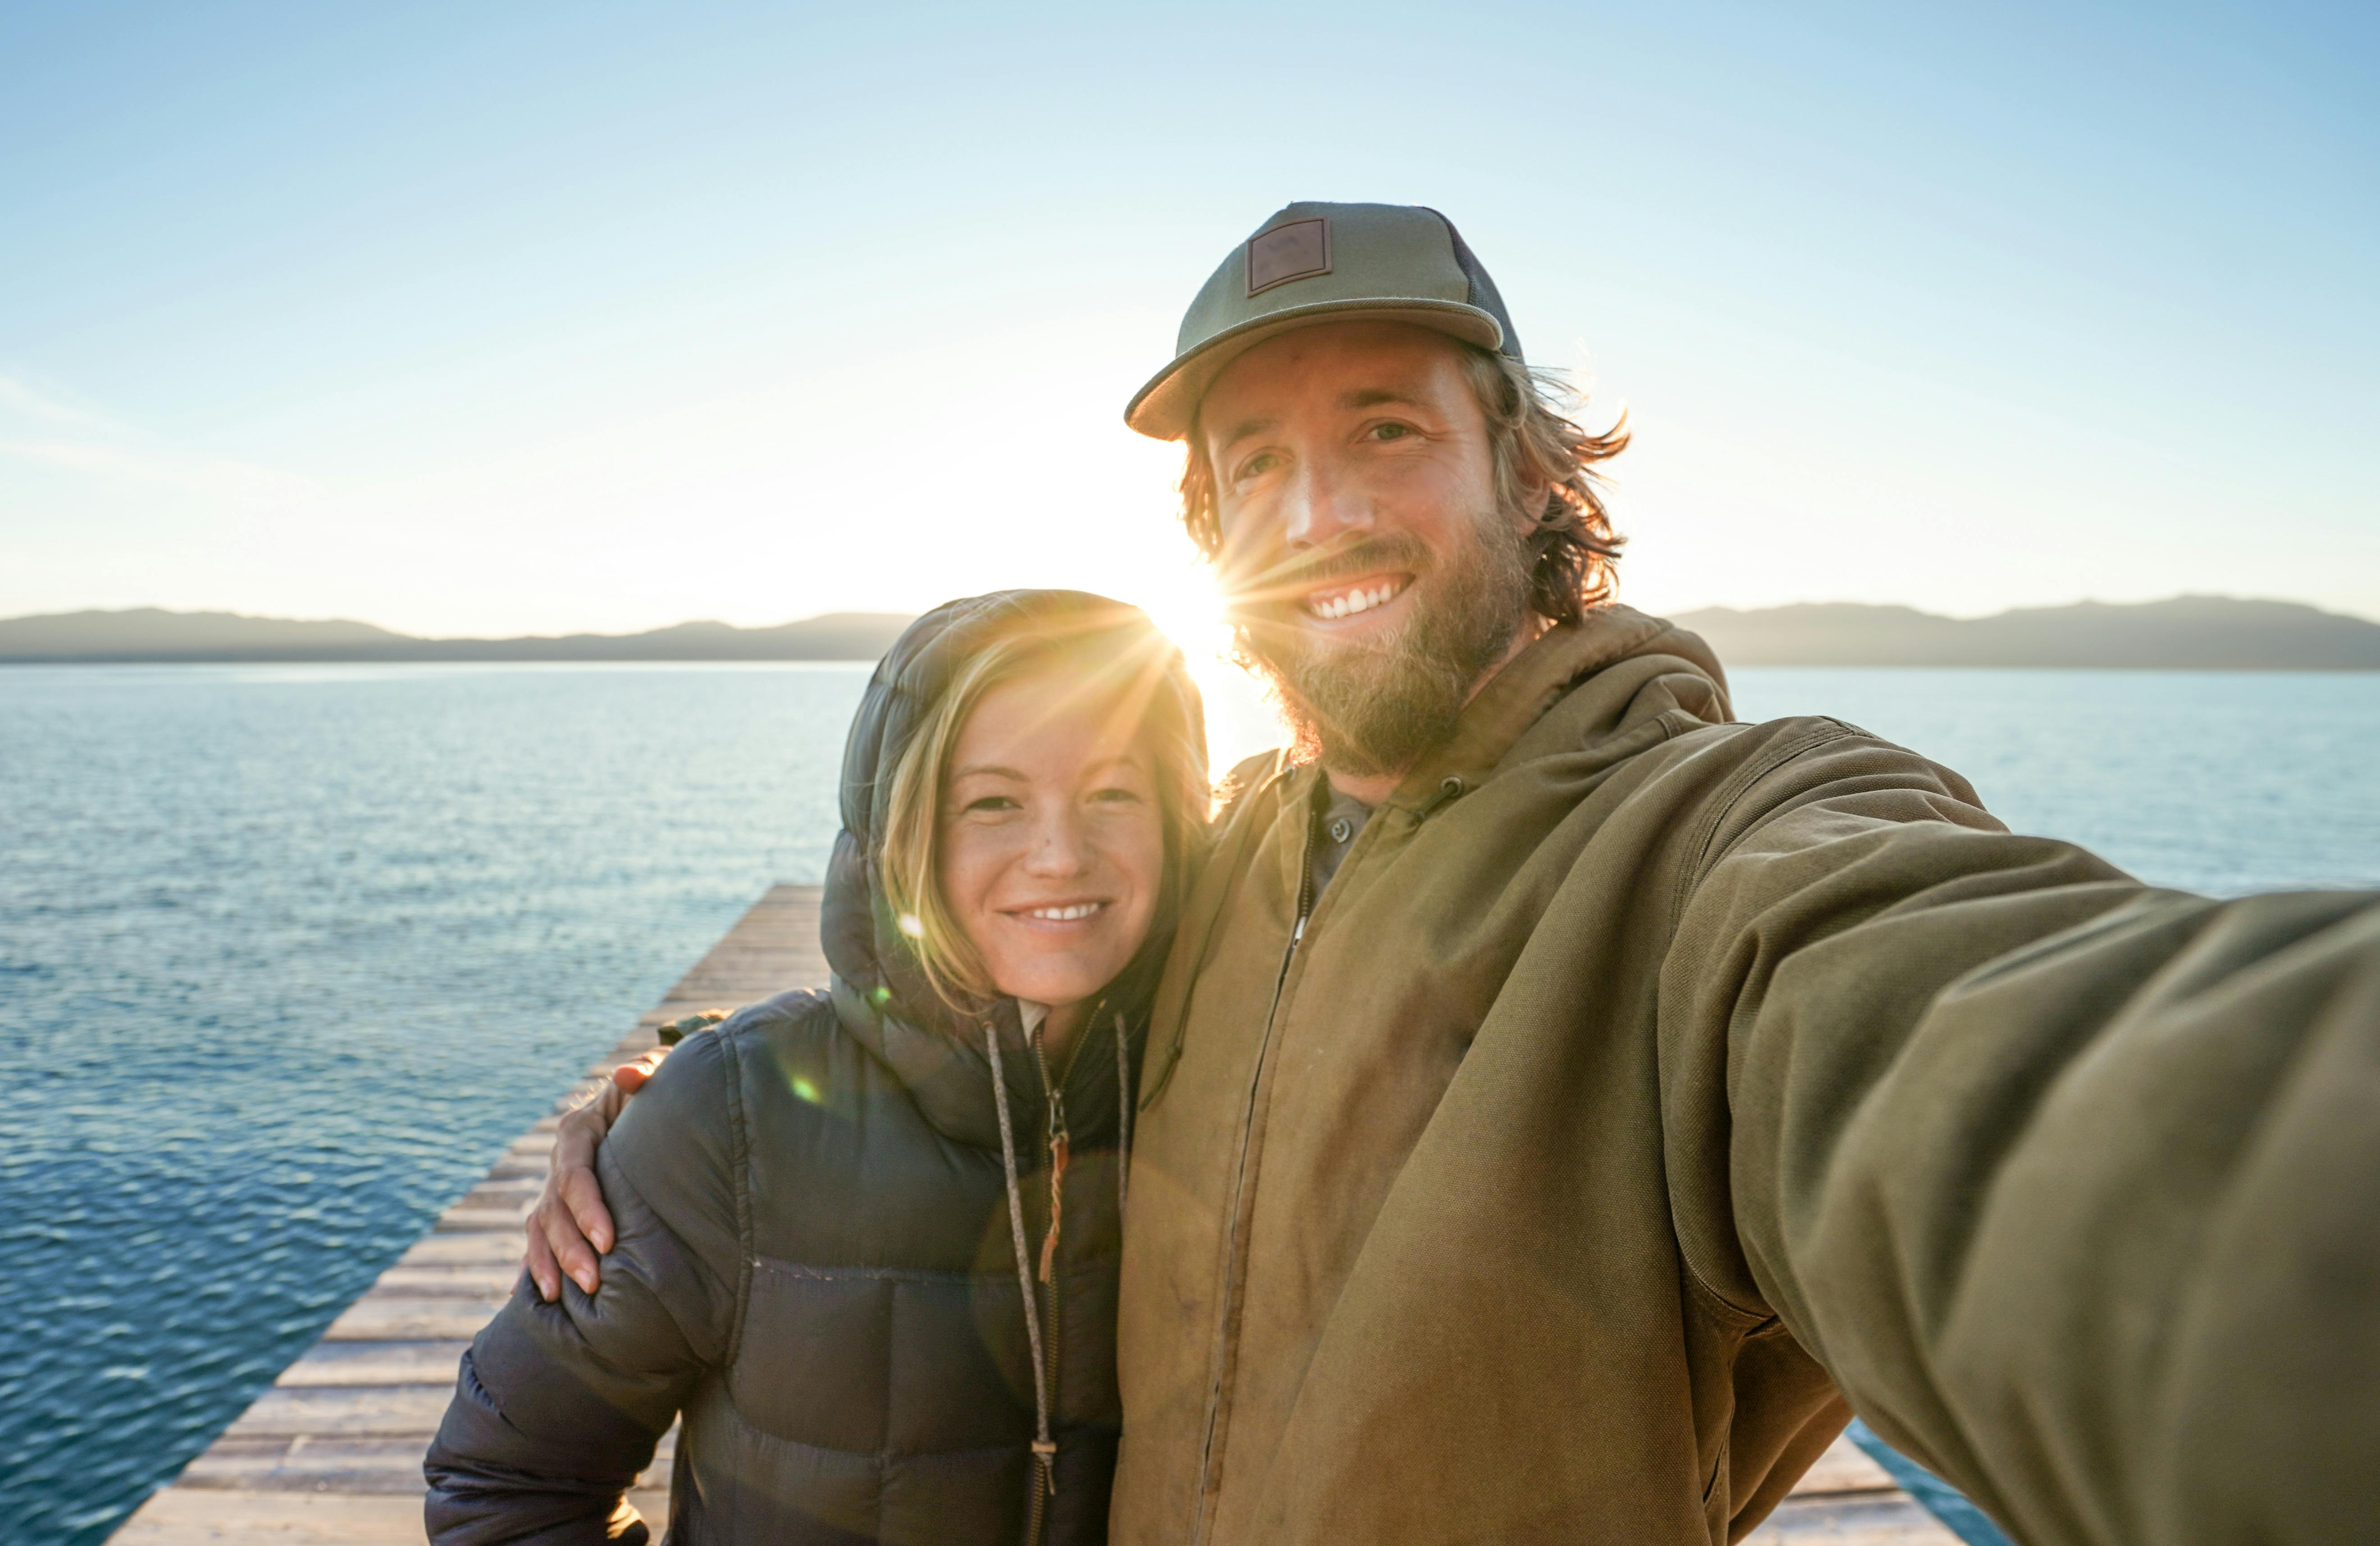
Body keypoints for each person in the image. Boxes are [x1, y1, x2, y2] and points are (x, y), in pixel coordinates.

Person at [531, 205, 2380, 1545]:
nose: (1320, 511)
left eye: (1387, 430)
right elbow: (991, 1028)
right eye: (1255, 465)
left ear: (1529, 468)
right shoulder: (1230, 858)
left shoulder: (1711, 846)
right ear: (1212, 537)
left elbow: (1977, 1049)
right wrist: (685, 1104)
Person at [427, 590, 1208, 1545]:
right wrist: (683, 1094)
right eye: (993, 802)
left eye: (1113, 794)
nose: (1059, 854)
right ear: (903, 835)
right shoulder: (728, 1123)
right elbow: (507, 1485)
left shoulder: (1224, 1077)